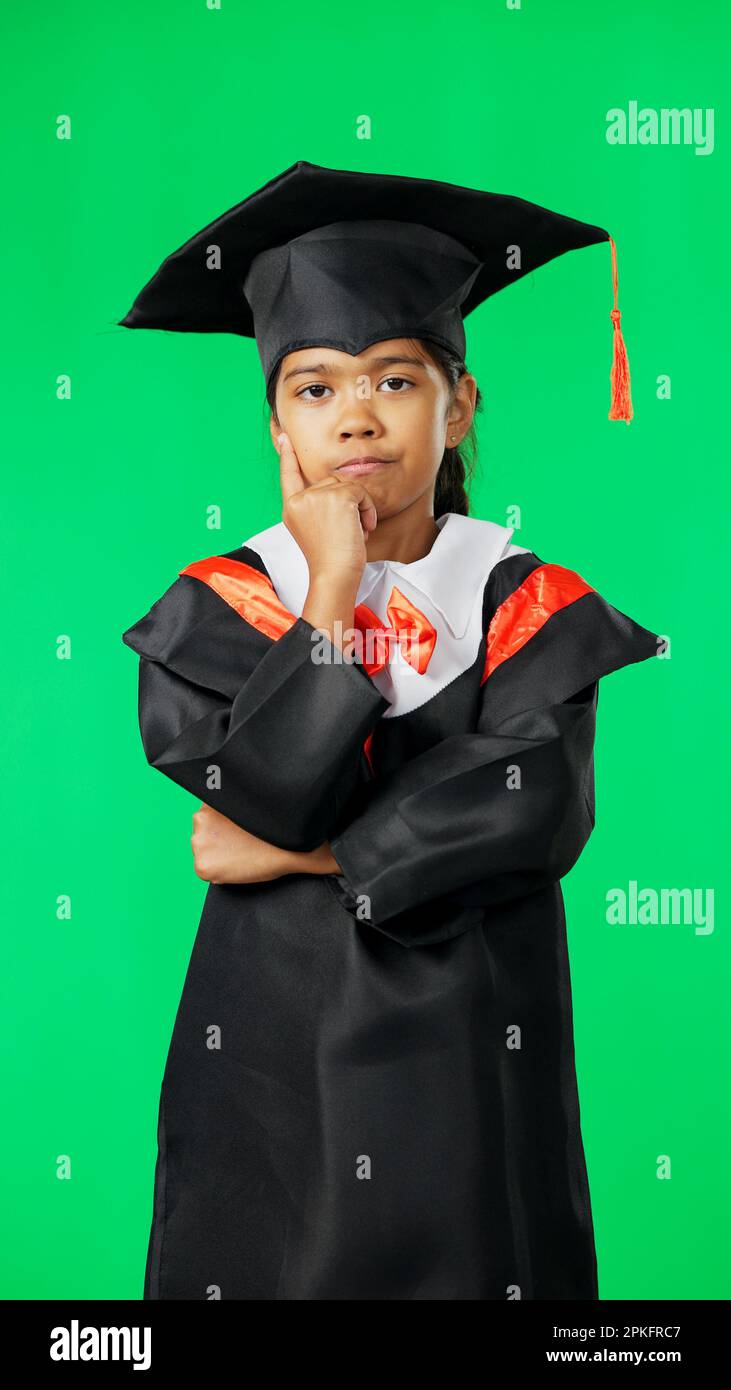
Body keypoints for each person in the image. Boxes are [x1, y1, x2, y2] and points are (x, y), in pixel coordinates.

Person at [120, 161, 658, 1300]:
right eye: (313, 389)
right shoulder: (224, 609)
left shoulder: (523, 603)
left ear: (457, 405)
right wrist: (329, 593)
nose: (354, 414)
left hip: (471, 1060)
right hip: (268, 1065)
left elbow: (533, 807)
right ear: (275, 423)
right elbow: (265, 790)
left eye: (394, 379)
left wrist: (303, 853)